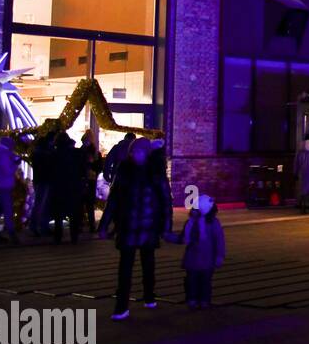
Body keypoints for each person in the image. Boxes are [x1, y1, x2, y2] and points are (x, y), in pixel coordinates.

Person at [109, 138, 172, 320]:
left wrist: (166, 227)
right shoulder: (125, 170)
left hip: (147, 224)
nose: (136, 155)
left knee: (148, 262)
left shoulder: (155, 171)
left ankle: (149, 296)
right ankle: (121, 306)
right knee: (125, 267)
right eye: (133, 152)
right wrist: (105, 224)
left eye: (139, 152)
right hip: (129, 225)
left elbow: (165, 201)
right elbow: (114, 198)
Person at [168, 194, 226, 308]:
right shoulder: (209, 223)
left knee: (197, 281)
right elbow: (219, 240)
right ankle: (199, 300)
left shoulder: (195, 222)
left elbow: (184, 239)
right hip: (203, 258)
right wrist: (219, 256)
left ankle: (196, 300)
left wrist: (220, 255)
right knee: (200, 281)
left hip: (197, 258)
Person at [49, 133, 85, 244]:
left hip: (59, 186)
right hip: (73, 186)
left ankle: (58, 237)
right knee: (73, 213)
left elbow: (51, 172)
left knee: (58, 214)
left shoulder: (54, 154)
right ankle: (74, 236)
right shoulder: (76, 153)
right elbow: (82, 169)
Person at [97, 132, 135, 236]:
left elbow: (109, 160)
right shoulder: (134, 148)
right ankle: (119, 227)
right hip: (130, 180)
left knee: (112, 203)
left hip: (117, 178)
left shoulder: (118, 147)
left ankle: (104, 228)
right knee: (126, 204)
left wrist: (107, 174)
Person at [29, 131, 56, 236]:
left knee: (42, 204)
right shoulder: (44, 153)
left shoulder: (39, 152)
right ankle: (36, 226)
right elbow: (45, 166)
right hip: (43, 180)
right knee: (41, 204)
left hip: (41, 180)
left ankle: (41, 226)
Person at [0, 138, 20, 244]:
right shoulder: (4, 155)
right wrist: (15, 164)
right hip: (5, 186)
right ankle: (11, 233)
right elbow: (8, 171)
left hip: (0, 185)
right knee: (8, 211)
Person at [79, 138, 101, 233]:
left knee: (84, 203)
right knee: (89, 204)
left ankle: (84, 224)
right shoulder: (93, 153)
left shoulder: (81, 152)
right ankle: (90, 225)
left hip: (85, 180)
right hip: (89, 180)